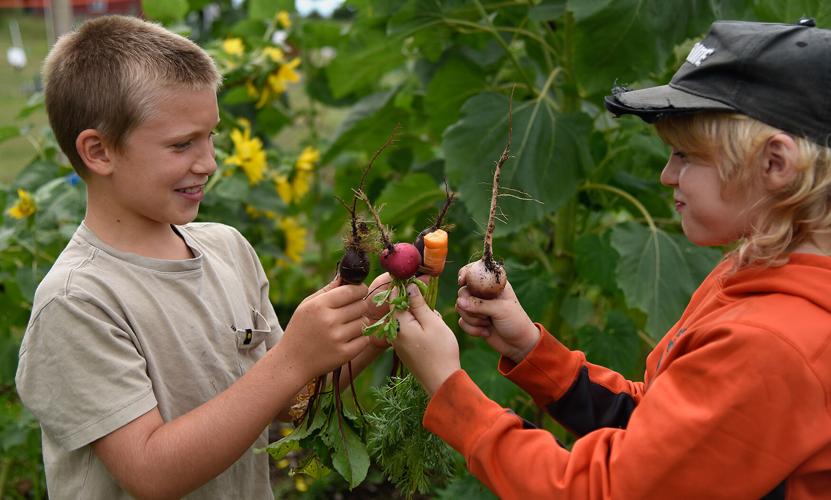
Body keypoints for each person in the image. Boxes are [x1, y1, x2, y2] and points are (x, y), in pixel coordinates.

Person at [390, 18, 831, 499]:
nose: (667, 175)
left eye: (686, 155)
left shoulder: (770, 345)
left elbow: (604, 491)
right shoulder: (755, 278)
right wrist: (532, 352)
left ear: (775, 164)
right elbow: (663, 432)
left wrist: (448, 388)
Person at [14, 15, 383, 499]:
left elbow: (288, 401)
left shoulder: (228, 250)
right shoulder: (78, 301)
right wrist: (293, 358)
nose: (208, 162)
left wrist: (373, 326)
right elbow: (150, 472)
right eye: (181, 144)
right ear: (99, 151)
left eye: (210, 136)